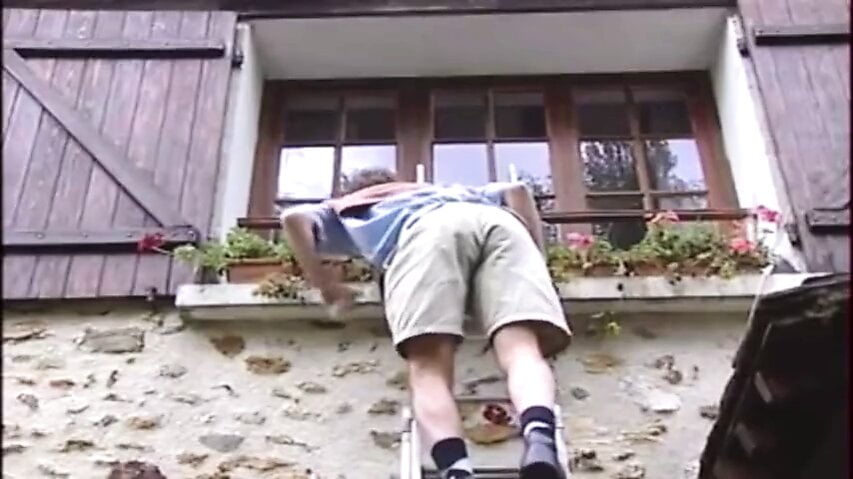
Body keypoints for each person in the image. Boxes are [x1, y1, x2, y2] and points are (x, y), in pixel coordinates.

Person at [281, 168, 571, 479]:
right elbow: (518, 191)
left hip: (425, 235)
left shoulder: (348, 206)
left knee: (428, 365)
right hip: (500, 225)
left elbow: (293, 218)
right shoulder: (446, 188)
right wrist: (538, 264)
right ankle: (540, 438)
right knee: (521, 348)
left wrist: (326, 285)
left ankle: (456, 469)